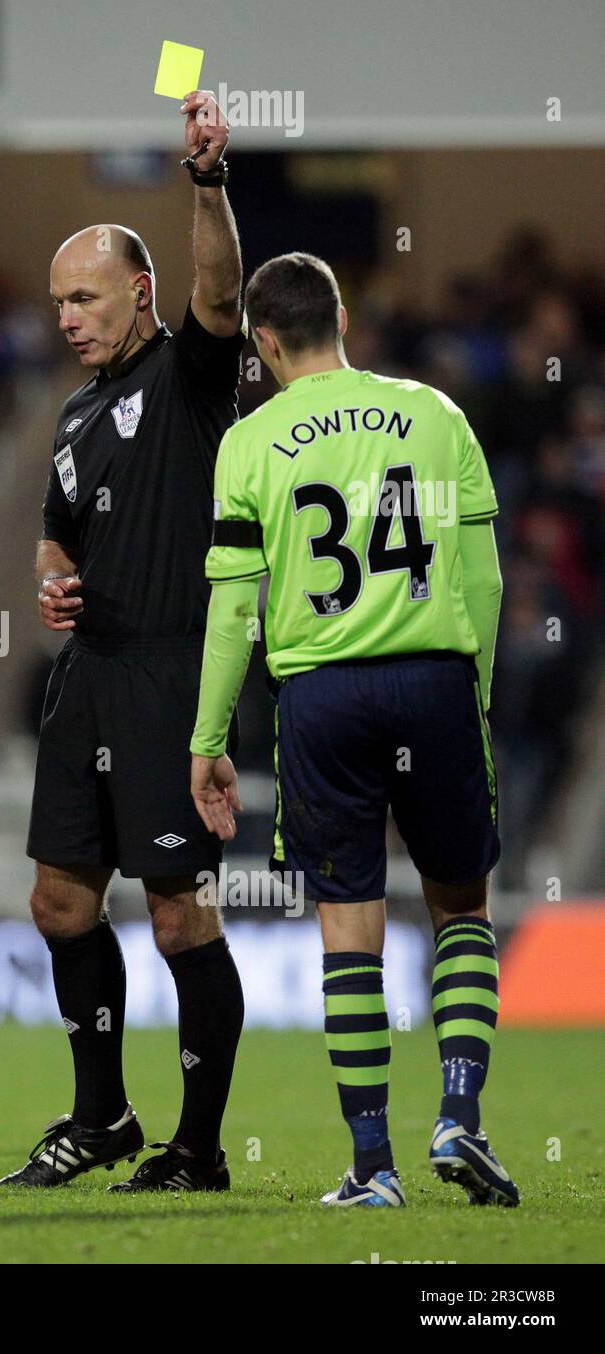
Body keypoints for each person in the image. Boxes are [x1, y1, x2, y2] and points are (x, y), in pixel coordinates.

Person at [189, 252, 516, 1207]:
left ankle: (374, 1168)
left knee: (349, 932)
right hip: (435, 679)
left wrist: (210, 737)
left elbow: (232, 610)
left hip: (323, 699)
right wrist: (476, 692)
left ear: (263, 342)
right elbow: (485, 579)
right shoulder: (435, 415)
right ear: (343, 317)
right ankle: (460, 1113)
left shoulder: (248, 446)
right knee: (461, 906)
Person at [3, 91, 246, 1193]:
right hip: (87, 675)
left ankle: (197, 1147)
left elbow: (222, 289)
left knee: (177, 913)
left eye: (86, 295)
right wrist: (53, 585)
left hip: (168, 670)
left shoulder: (190, 376)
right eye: (57, 300)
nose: (67, 315)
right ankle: (99, 1116)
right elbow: (54, 542)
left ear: (139, 294)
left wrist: (205, 179)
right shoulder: (70, 418)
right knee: (59, 901)